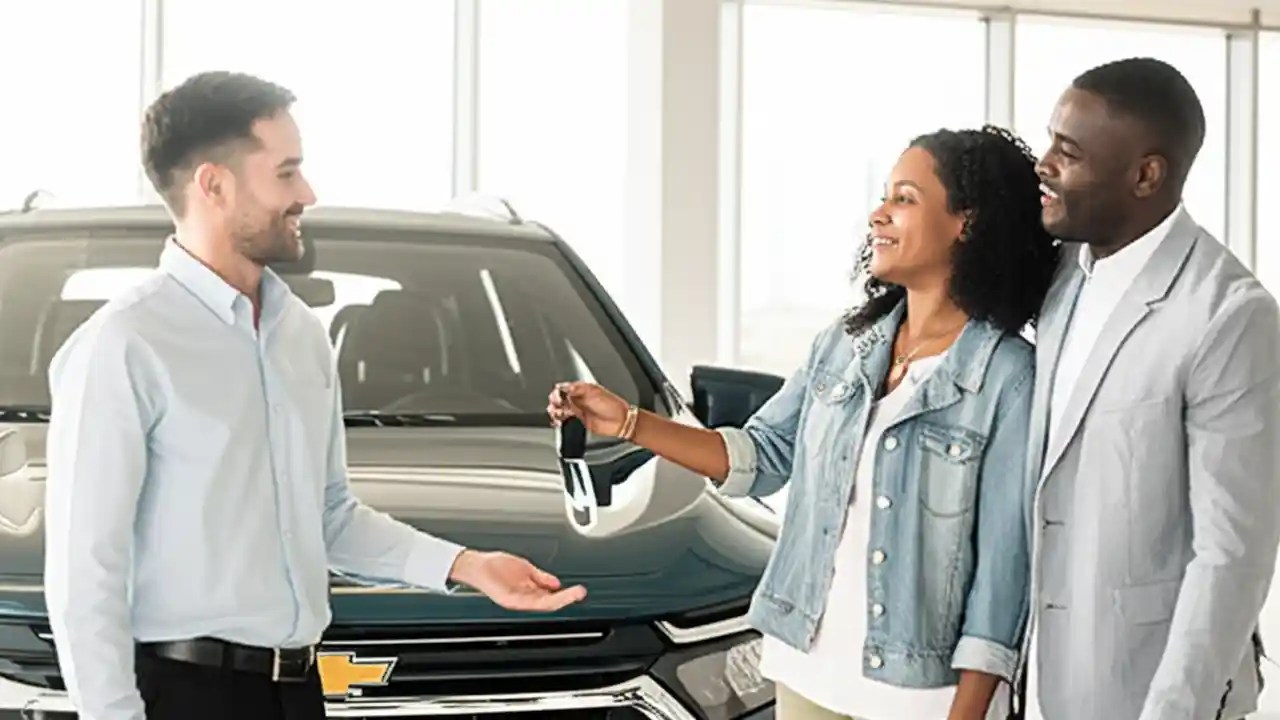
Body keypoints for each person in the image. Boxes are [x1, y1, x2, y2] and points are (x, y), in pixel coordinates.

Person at [42, 70, 586, 720]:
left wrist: (467, 565)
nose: (307, 193)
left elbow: (327, 516)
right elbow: (85, 573)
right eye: (286, 173)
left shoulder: (297, 332)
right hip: (181, 696)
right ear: (213, 184)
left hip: (297, 694)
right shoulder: (124, 345)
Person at [549, 125, 1060, 720]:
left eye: (904, 198)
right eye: (884, 196)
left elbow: (1003, 577)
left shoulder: (1007, 376)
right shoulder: (844, 345)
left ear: (965, 222)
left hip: (922, 697)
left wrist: (968, 713)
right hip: (805, 670)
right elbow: (761, 457)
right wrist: (631, 423)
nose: (878, 214)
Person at [1019, 57, 1280, 720]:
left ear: (1146, 174)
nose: (1044, 163)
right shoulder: (1062, 272)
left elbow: (1233, 554)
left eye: (1067, 152)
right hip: (1044, 681)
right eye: (1050, 140)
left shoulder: (1229, 315)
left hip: (1150, 694)